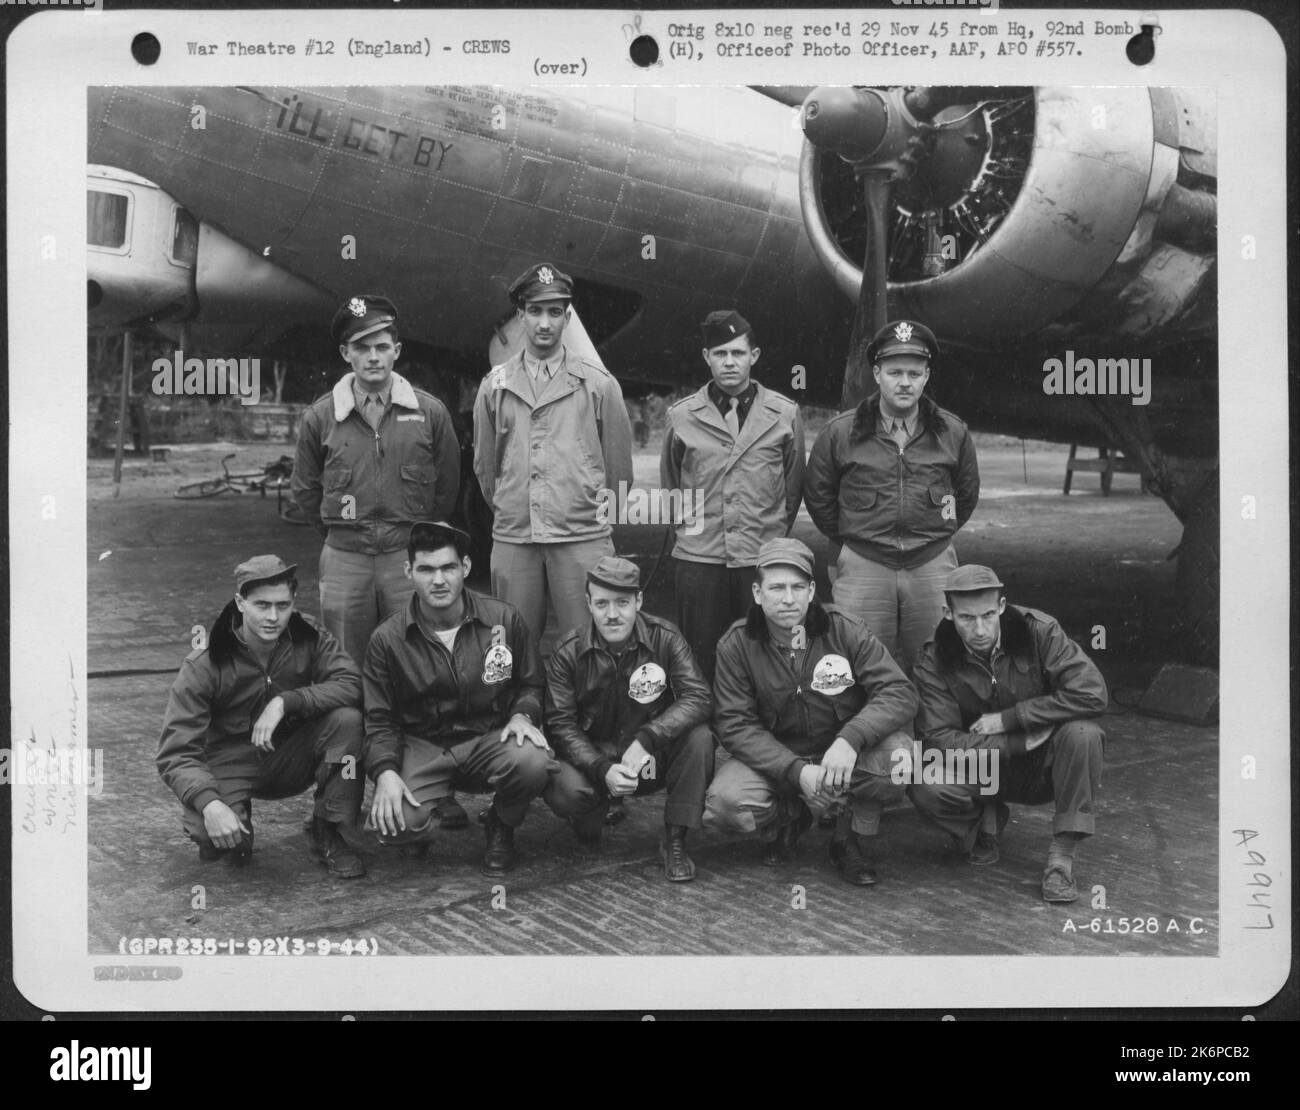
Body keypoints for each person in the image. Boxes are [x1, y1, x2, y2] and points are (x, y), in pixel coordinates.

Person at [293, 294, 466, 828]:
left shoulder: (429, 412)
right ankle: (343, 798)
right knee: (346, 679)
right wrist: (346, 537)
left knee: (422, 668)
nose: (374, 356)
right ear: (346, 353)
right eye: (362, 347)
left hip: (404, 559)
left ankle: (434, 784)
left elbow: (448, 492)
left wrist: (408, 546)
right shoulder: (321, 416)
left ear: (398, 350)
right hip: (344, 558)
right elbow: (305, 494)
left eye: (382, 346)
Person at [704, 538, 918, 885]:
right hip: (777, 757)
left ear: (812, 590)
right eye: (776, 588)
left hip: (841, 753)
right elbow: (734, 724)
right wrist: (796, 771)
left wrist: (851, 739)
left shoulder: (845, 628)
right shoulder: (736, 645)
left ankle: (848, 837)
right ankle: (789, 816)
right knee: (727, 803)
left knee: (898, 763)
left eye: (797, 587)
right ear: (757, 593)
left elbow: (899, 691)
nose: (788, 598)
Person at [362, 521, 555, 876]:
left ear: (465, 568)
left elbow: (531, 684)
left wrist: (522, 717)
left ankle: (501, 823)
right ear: (408, 572)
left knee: (534, 761)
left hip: (487, 737)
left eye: (448, 568)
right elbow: (380, 719)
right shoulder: (387, 639)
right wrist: (385, 772)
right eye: (426, 569)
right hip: (424, 744)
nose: (439, 580)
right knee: (397, 825)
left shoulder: (503, 619)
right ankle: (423, 822)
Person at [908, 565, 1108, 903]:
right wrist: (1013, 742)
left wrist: (1012, 718)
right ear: (947, 614)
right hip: (987, 764)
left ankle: (1061, 858)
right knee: (924, 780)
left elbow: (1092, 693)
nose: (980, 629)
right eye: (967, 619)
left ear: (1002, 605)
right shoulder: (933, 657)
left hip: (1045, 762)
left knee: (1084, 734)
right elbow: (937, 738)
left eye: (988, 615)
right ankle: (982, 821)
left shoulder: (1040, 631)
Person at [156, 556, 366, 878]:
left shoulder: (309, 634)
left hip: (289, 754)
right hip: (230, 762)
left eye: (283, 605)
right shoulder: (205, 662)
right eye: (262, 605)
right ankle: (237, 820)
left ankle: (327, 829)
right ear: (240, 603)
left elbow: (351, 684)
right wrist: (210, 804)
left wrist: (288, 700)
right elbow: (175, 753)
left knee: (347, 721)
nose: (273, 617)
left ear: (293, 602)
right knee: (211, 836)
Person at [804, 319, 979, 673]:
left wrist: (933, 533)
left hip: (931, 562)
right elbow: (818, 494)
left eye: (914, 374)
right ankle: (866, 730)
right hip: (865, 562)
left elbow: (965, 494)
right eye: (894, 372)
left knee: (938, 663)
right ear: (876, 373)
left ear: (927, 376)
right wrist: (852, 539)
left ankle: (934, 730)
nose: (904, 382)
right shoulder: (840, 432)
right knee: (857, 660)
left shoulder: (952, 432)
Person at [472, 263, 634, 646]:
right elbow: (486, 467)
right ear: (521, 315)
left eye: (555, 312)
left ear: (567, 317)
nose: (544, 323)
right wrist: (513, 507)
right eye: (535, 311)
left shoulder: (598, 384)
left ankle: (583, 709)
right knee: (513, 644)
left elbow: (619, 473)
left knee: (589, 644)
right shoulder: (494, 386)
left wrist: (586, 512)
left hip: (581, 535)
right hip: (516, 536)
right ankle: (522, 709)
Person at [543, 556, 714, 881]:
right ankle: (588, 816)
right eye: (602, 603)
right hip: (596, 762)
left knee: (700, 737)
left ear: (639, 601)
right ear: (589, 603)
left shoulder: (665, 637)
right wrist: (601, 768)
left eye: (622, 603)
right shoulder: (567, 651)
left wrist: (648, 737)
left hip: (650, 760)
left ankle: (675, 838)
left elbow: (699, 696)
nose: (612, 614)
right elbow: (559, 724)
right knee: (565, 787)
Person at [660, 309, 804, 682]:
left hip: (758, 557)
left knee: (763, 655)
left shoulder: (784, 414)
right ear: (706, 357)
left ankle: (756, 731)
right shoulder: (681, 417)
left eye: (737, 353)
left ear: (753, 357)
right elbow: (671, 484)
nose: (729, 362)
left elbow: (792, 490)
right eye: (719, 353)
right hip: (700, 558)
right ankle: (704, 734)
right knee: (700, 660)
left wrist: (768, 538)